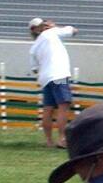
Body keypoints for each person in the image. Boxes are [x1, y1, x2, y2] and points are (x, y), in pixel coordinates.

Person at [30, 17, 78, 148]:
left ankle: (48, 140)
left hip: (45, 78)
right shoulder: (51, 32)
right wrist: (55, 27)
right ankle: (62, 139)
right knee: (63, 106)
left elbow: (34, 69)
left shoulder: (34, 47)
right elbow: (74, 31)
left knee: (48, 109)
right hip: (59, 74)